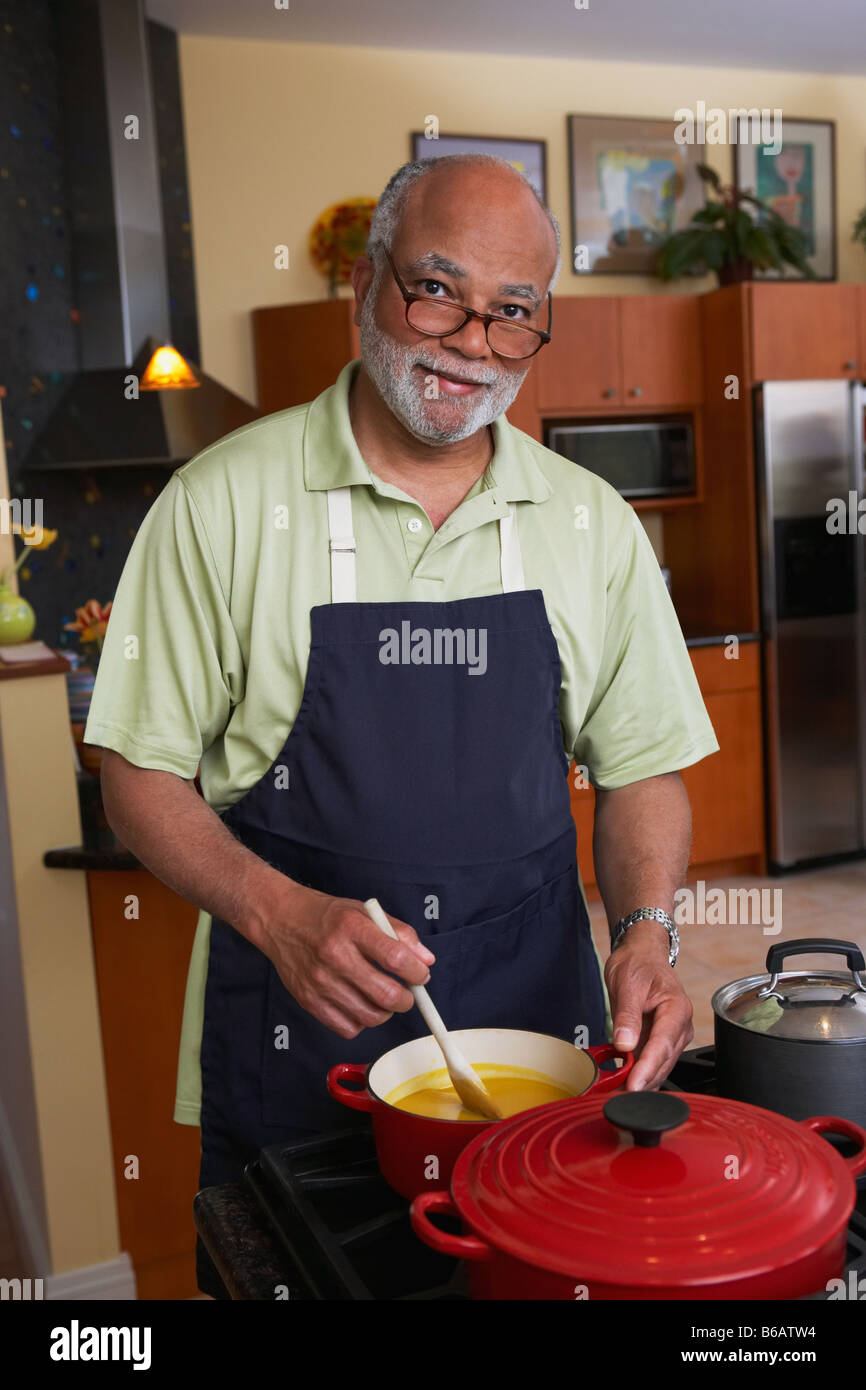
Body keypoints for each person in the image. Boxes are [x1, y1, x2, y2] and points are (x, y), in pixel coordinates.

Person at [84, 154, 719, 1298]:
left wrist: (646, 933)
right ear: (364, 288)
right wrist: (278, 916)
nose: (471, 341)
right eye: (437, 292)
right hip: (303, 1050)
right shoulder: (221, 503)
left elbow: (641, 772)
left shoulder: (591, 525)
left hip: (541, 1038)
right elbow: (135, 770)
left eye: (512, 312)